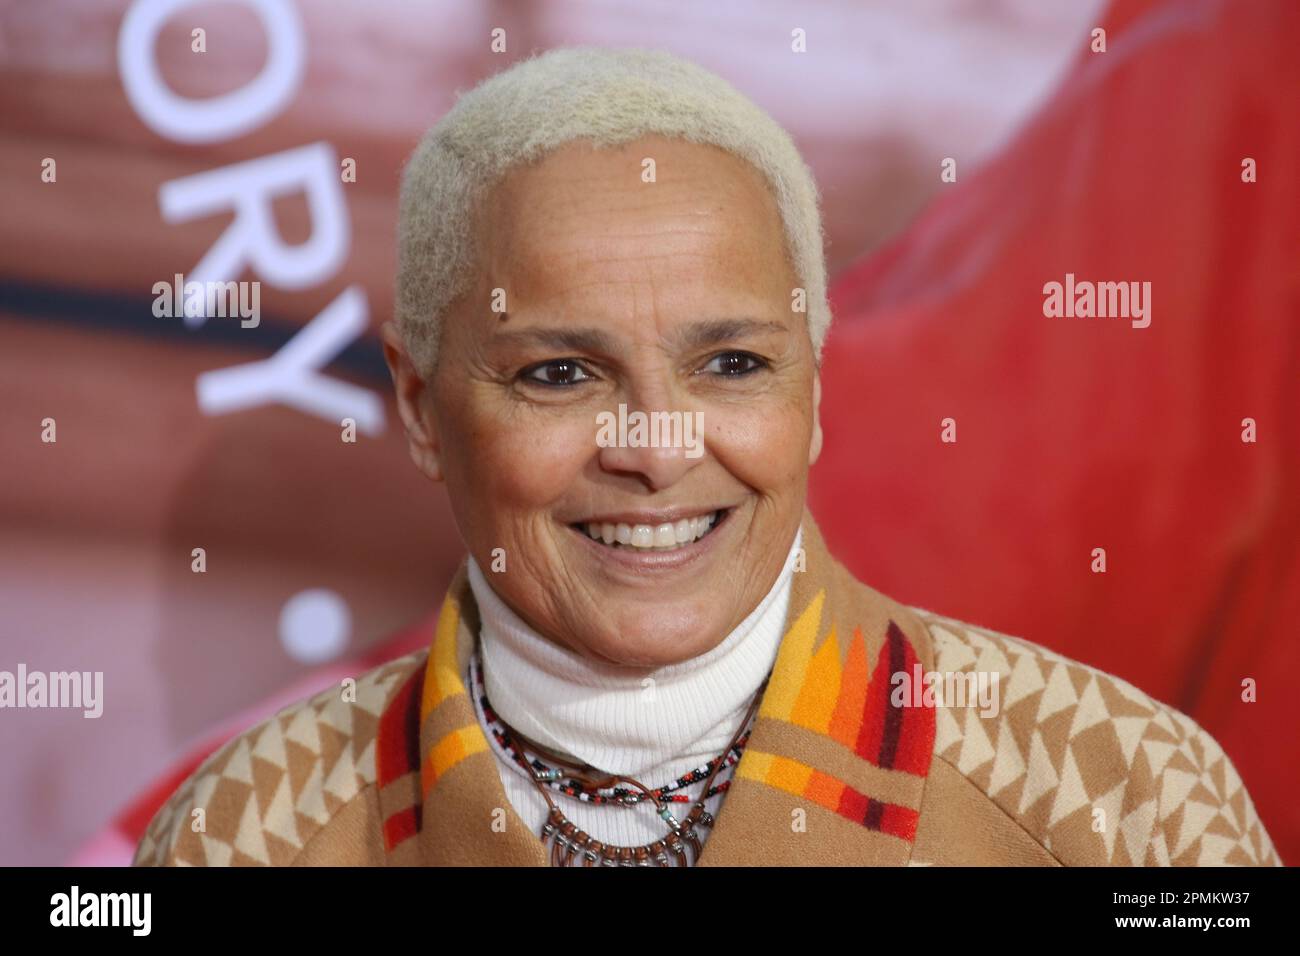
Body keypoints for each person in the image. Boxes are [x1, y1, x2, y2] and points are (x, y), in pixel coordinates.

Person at [133, 46, 1278, 867]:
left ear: (820, 385)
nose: (655, 450)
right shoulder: (245, 830)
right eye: (558, 373)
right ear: (422, 406)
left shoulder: (1129, 799)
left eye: (730, 365)